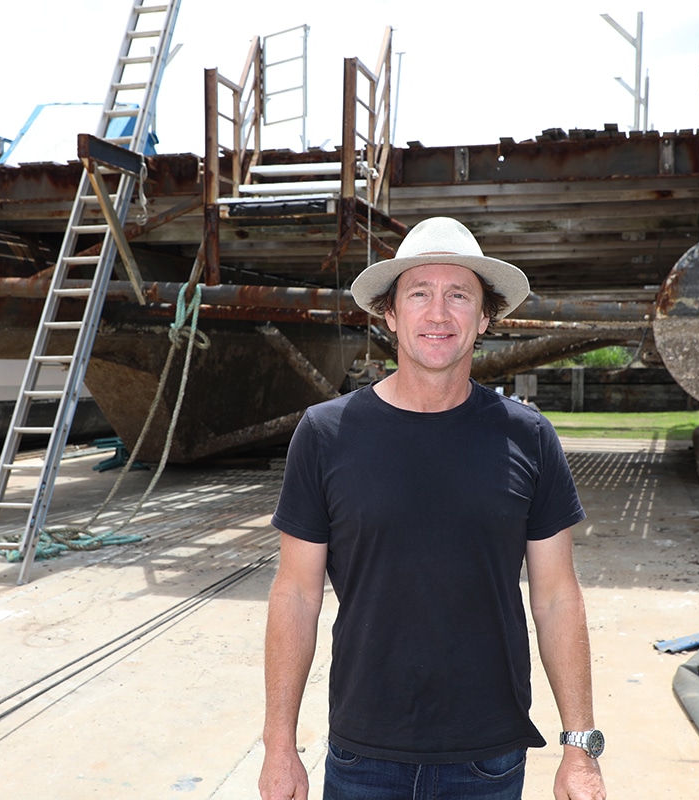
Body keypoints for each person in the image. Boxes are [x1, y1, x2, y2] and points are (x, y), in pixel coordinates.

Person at [259, 217, 606, 800]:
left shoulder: (528, 437)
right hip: (363, 755)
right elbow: (296, 594)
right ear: (391, 315)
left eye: (459, 295)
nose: (439, 313)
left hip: (488, 759)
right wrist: (279, 745)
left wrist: (580, 748)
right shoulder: (325, 434)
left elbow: (556, 597)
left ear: (485, 317)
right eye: (419, 293)